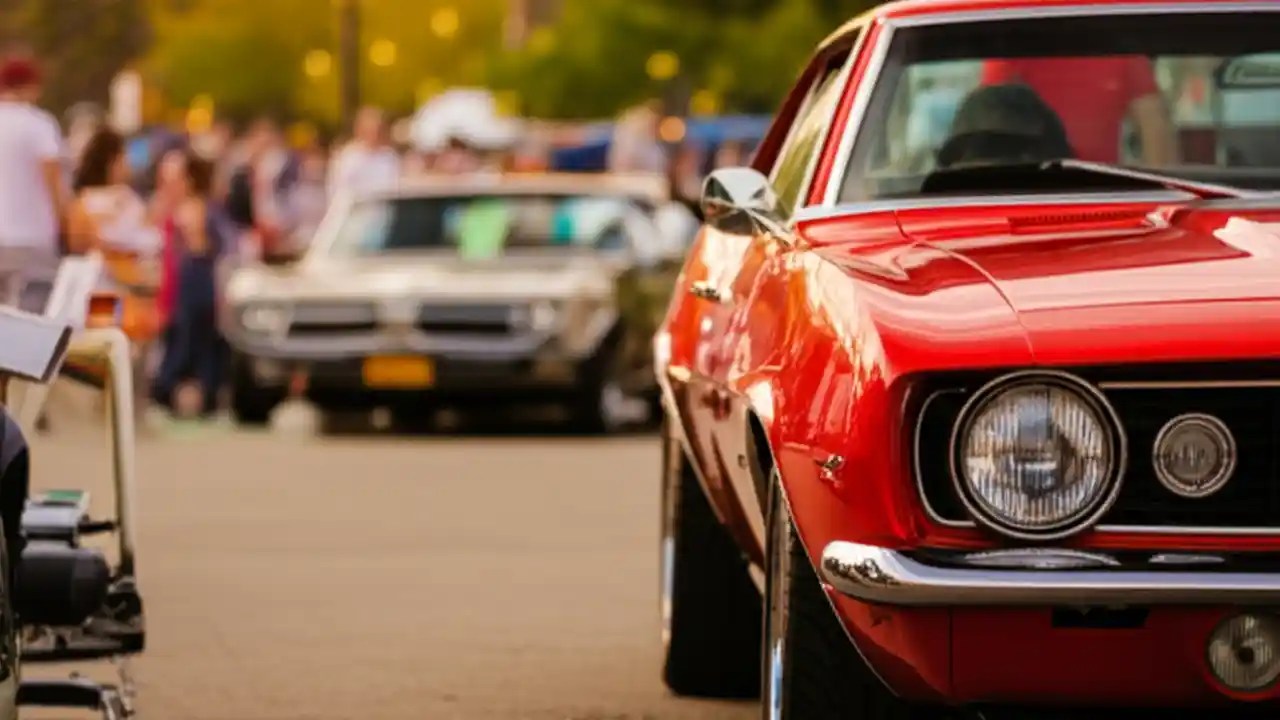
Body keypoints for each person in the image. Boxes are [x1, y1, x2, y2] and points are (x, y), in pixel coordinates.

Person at [980, 56, 1178, 165]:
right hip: (1032, 194)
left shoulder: (1011, 37)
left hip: (1098, 196)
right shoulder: (1011, 44)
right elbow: (1154, 124)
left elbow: (1154, 123)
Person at [152, 152, 227, 419]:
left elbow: (201, 247)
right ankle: (175, 390)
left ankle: (188, 391)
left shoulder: (194, 208)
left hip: (193, 281)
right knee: (181, 339)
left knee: (190, 339)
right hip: (179, 283)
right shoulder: (176, 208)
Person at [0, 55, 66, 314]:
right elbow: (53, 180)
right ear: (30, 85)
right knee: (29, 317)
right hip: (32, 238)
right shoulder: (39, 124)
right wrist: (65, 223)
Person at [328, 106, 400, 197]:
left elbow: (395, 187)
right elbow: (338, 190)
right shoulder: (347, 157)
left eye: (378, 129)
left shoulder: (389, 156)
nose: (375, 134)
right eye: (371, 129)